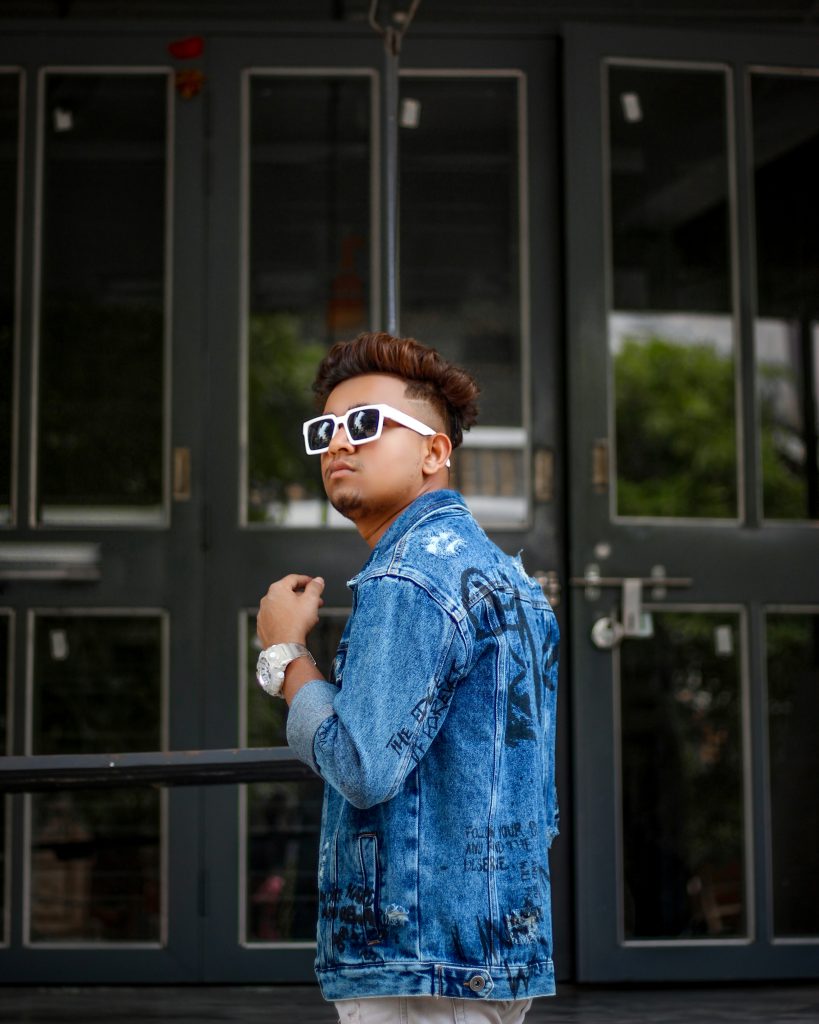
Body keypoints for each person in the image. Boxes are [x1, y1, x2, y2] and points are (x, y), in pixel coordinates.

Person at [256, 332, 559, 1024]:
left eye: (364, 423)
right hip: (495, 948)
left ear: (434, 452)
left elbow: (362, 767)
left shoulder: (407, 576)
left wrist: (283, 654)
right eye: (325, 429)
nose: (339, 443)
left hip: (413, 956)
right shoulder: (510, 582)